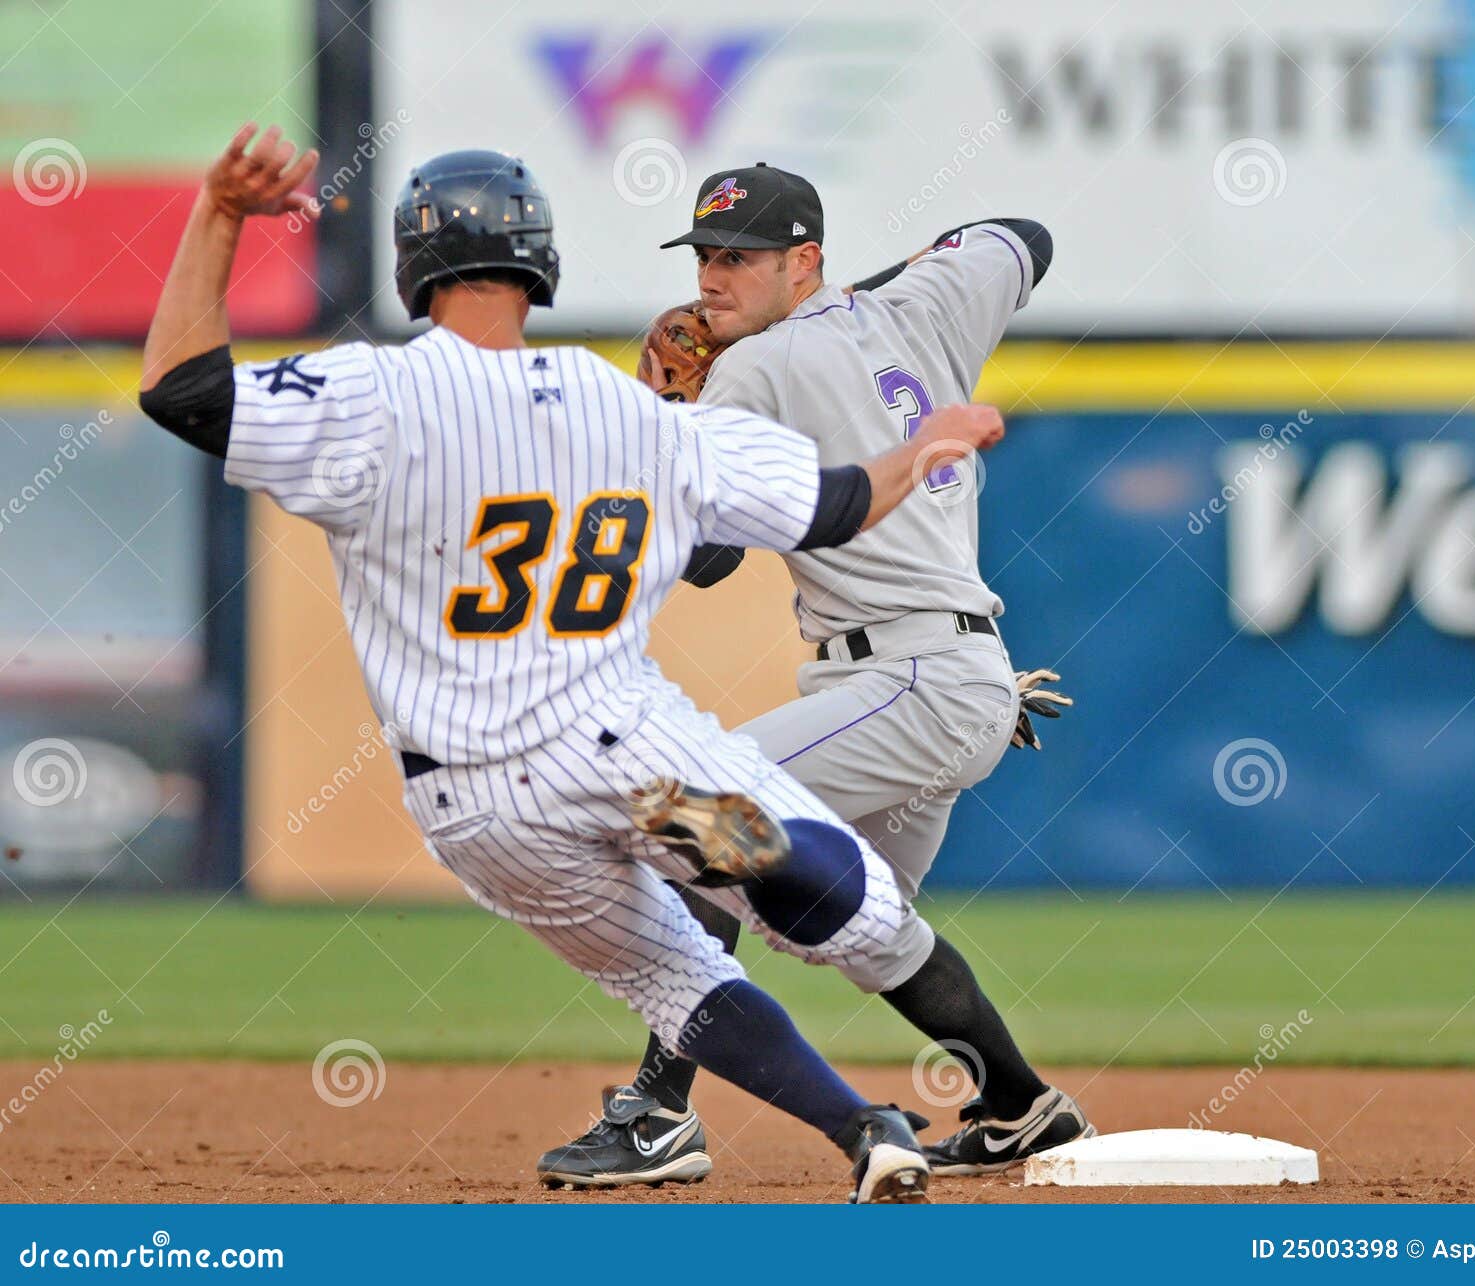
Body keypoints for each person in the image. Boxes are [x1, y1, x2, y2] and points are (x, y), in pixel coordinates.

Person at [137, 125, 1007, 1202]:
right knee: (843, 900)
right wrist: (919, 453)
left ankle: (859, 1122)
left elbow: (182, 390)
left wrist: (221, 214)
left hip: (481, 812)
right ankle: (979, 1097)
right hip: (641, 766)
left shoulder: (369, 395)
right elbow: (829, 506)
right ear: (539, 263)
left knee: (677, 979)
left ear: (413, 271)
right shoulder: (623, 408)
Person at [537, 164, 1091, 1188]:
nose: (714, 276)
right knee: (864, 931)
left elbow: (699, 560)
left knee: (693, 819)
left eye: (741, 255)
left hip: (912, 678)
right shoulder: (925, 304)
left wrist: (675, 407)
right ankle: (1021, 1106)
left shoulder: (753, 369)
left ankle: (656, 1114)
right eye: (705, 255)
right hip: (944, 676)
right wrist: (867, 295)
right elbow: (1024, 232)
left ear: (802, 261)